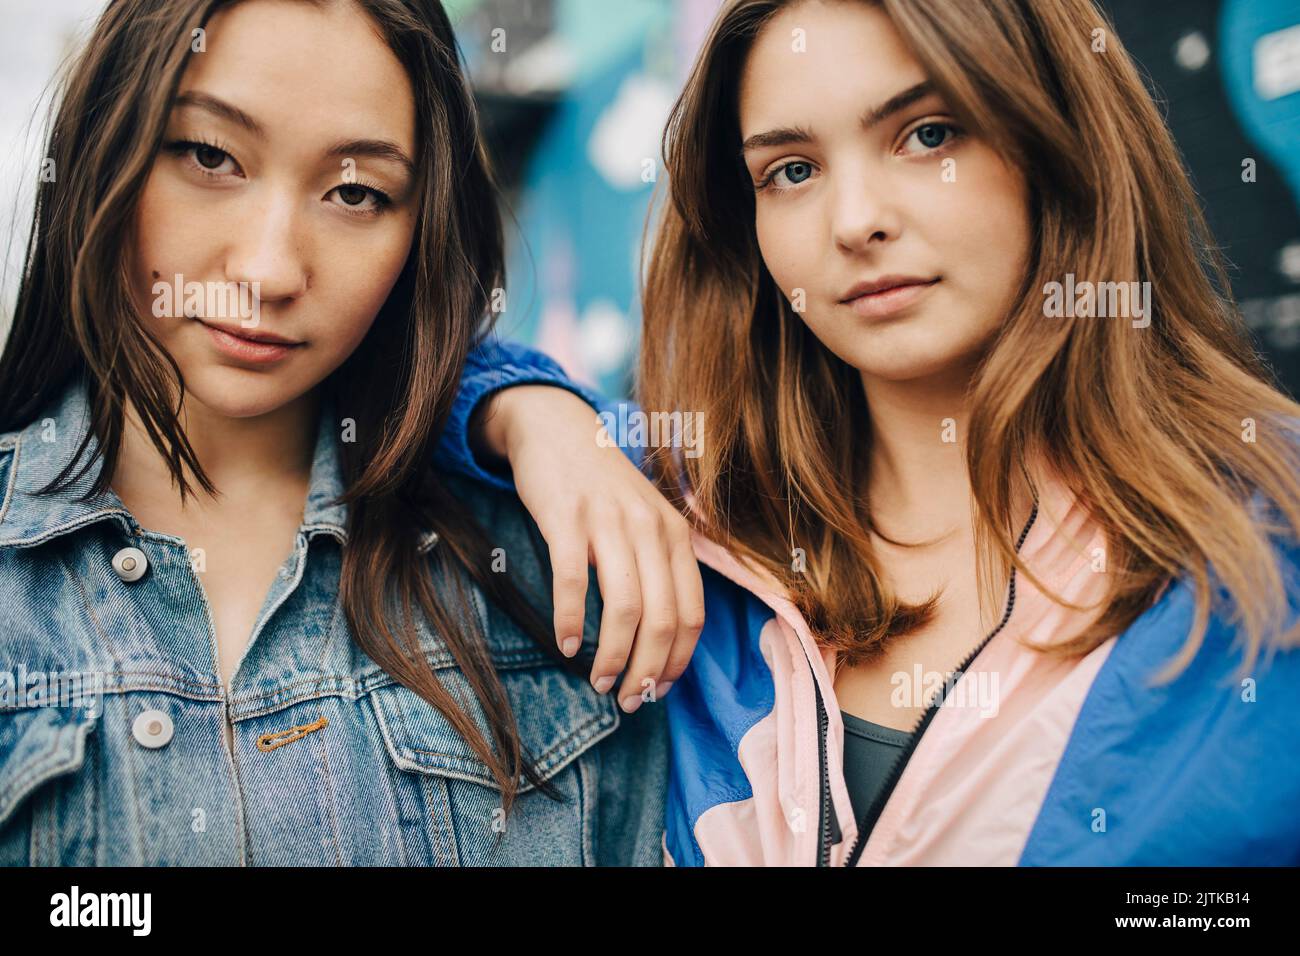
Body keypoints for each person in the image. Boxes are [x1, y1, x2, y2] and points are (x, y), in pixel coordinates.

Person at [442, 0, 1300, 865]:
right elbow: (378, 389)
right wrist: (529, 414)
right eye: (790, 170)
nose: (855, 222)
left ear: (1057, 142)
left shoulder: (1274, 540)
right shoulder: (685, 510)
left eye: (928, 135)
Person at [0, 0, 689, 866]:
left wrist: (524, 407)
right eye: (210, 156)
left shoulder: (560, 572)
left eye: (355, 193)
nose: (268, 270)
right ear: (107, 146)